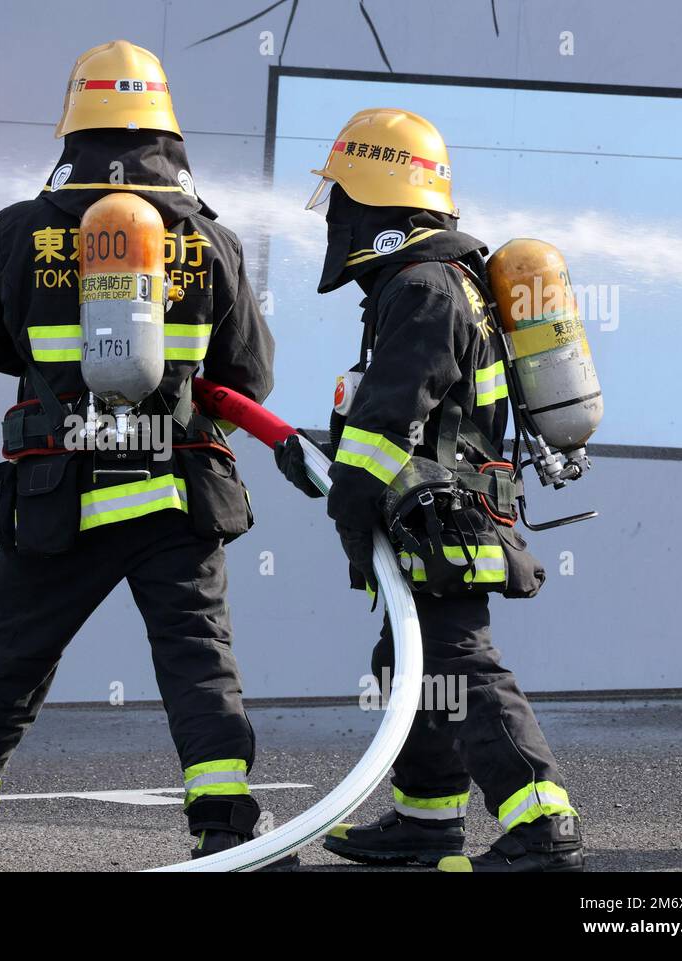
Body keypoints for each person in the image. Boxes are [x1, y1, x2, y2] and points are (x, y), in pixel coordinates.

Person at [0, 40, 277, 868]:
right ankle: (224, 824)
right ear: (168, 131)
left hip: (58, 494)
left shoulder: (22, 229)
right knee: (198, 661)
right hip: (174, 495)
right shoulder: (209, 239)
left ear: (73, 126)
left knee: (8, 659)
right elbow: (250, 373)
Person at [275, 108, 584, 872]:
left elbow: (393, 416)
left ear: (379, 192)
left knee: (462, 668)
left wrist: (347, 493)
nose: (335, 214)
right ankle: (427, 820)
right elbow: (414, 416)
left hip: (448, 519)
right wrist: (321, 454)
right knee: (412, 666)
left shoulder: (423, 285)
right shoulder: (433, 282)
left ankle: (544, 822)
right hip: (441, 511)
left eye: (343, 194)